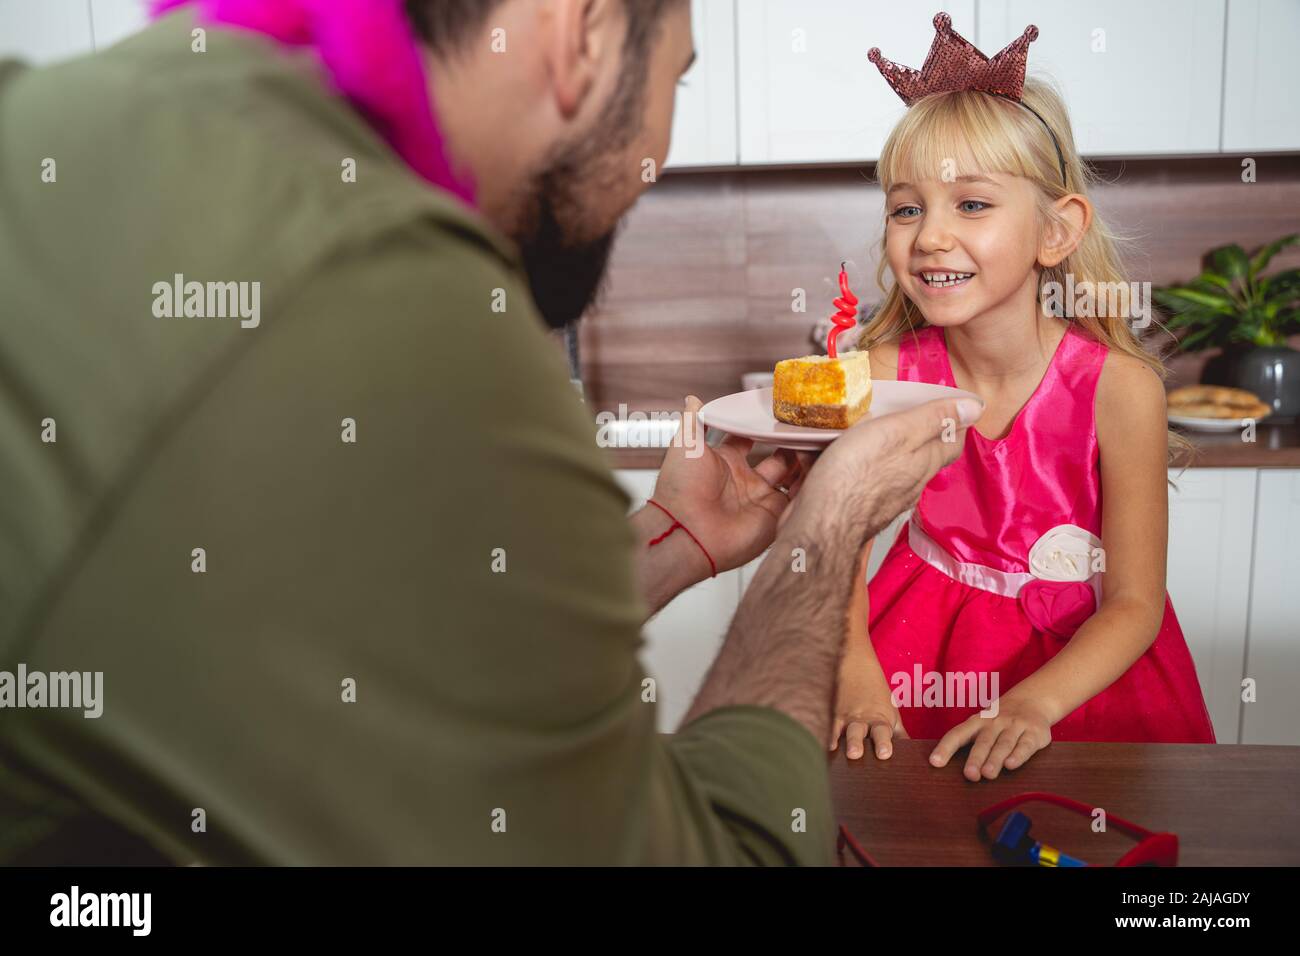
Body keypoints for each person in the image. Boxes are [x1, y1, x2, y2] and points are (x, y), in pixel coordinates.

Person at [0, 0, 982, 864]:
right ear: (581, 28)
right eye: (675, 76)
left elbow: (316, 677)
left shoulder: (107, 116)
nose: (658, 151)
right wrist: (825, 528)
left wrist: (673, 538)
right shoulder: (385, 292)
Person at [831, 22, 1216, 785]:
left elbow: (1135, 603)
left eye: (971, 205)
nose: (931, 236)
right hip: (915, 653)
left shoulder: (1120, 390)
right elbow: (833, 546)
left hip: (1079, 676)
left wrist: (1033, 706)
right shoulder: (880, 375)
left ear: (1056, 229)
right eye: (907, 209)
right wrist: (852, 665)